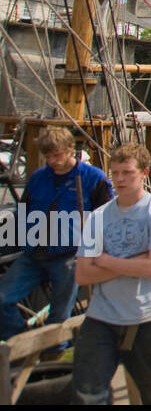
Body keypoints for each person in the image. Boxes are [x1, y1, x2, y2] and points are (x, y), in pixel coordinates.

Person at [72, 142, 151, 405]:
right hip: (102, 318)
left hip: (146, 318)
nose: (119, 180)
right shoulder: (97, 217)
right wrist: (134, 263)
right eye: (115, 173)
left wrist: (107, 260)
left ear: (144, 173)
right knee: (88, 394)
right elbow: (83, 275)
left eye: (127, 173)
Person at [0, 127, 112, 351]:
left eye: (57, 155)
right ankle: (22, 345)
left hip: (70, 256)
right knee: (2, 299)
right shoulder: (38, 179)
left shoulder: (92, 178)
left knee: (59, 316)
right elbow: (24, 211)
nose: (52, 161)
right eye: (48, 156)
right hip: (34, 254)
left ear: (71, 149)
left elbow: (107, 218)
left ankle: (54, 357)